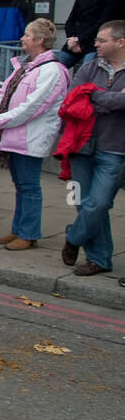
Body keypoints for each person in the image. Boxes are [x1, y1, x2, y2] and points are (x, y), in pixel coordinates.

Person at [0, 18, 69, 251]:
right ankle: (19, 229)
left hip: (31, 137)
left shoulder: (53, 71)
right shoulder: (27, 67)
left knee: (29, 186)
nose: (22, 39)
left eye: (27, 35)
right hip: (14, 136)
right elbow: (1, 92)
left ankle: (29, 233)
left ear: (40, 40)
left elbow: (34, 107)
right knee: (21, 185)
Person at [61, 19, 125, 276]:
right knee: (81, 202)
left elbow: (87, 97)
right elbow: (73, 98)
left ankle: (73, 236)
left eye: (101, 40)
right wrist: (115, 100)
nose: (95, 43)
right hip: (81, 146)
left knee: (98, 204)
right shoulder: (88, 68)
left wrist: (93, 95)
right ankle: (99, 259)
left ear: (120, 42)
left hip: (114, 148)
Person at [60, 0, 123, 68]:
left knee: (87, 74)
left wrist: (78, 39)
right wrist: (71, 39)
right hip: (74, 43)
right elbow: (71, 19)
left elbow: (102, 23)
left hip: (94, 45)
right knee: (53, 67)